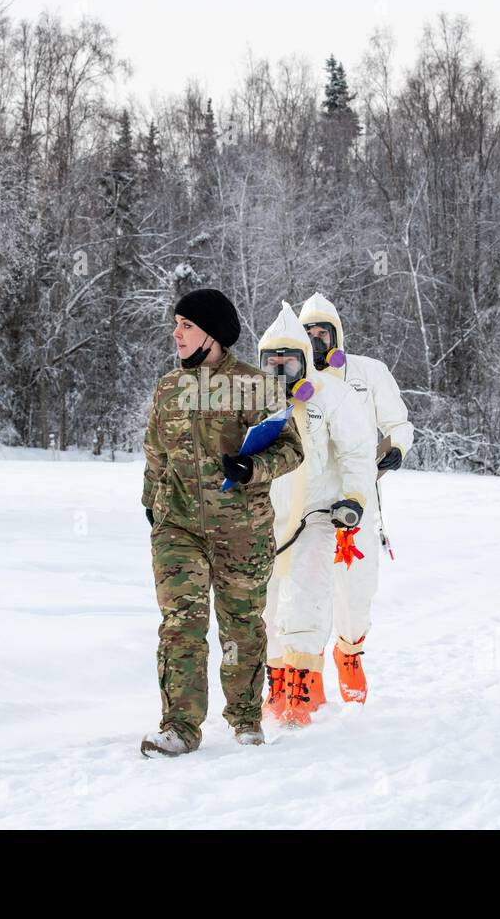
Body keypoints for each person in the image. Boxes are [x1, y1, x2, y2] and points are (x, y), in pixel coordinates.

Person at [140, 288, 304, 757]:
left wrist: (253, 469)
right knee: (181, 623)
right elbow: (154, 453)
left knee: (242, 626)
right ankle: (180, 727)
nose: (176, 333)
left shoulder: (256, 385)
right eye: (176, 324)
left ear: (212, 333)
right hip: (179, 528)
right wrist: (152, 502)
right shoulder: (169, 387)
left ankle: (246, 719)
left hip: (242, 530)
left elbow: (291, 448)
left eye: (186, 325)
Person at [257, 303, 377, 726]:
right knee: (266, 607)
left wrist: (355, 498)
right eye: (271, 363)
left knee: (307, 600)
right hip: (266, 520)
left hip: (317, 518)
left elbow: (357, 453)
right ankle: (277, 684)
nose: (280, 372)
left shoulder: (333, 396)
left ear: (303, 360)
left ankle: (305, 686)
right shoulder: (251, 402)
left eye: (288, 362)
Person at [297, 292, 414, 700]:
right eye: (307, 332)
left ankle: (349, 652)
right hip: (308, 505)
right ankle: (306, 674)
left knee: (356, 590)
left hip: (357, 502)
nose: (315, 339)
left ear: (337, 334)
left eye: (322, 331)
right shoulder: (295, 379)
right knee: (307, 591)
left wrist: (396, 448)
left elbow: (398, 422)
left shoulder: (368, 372)